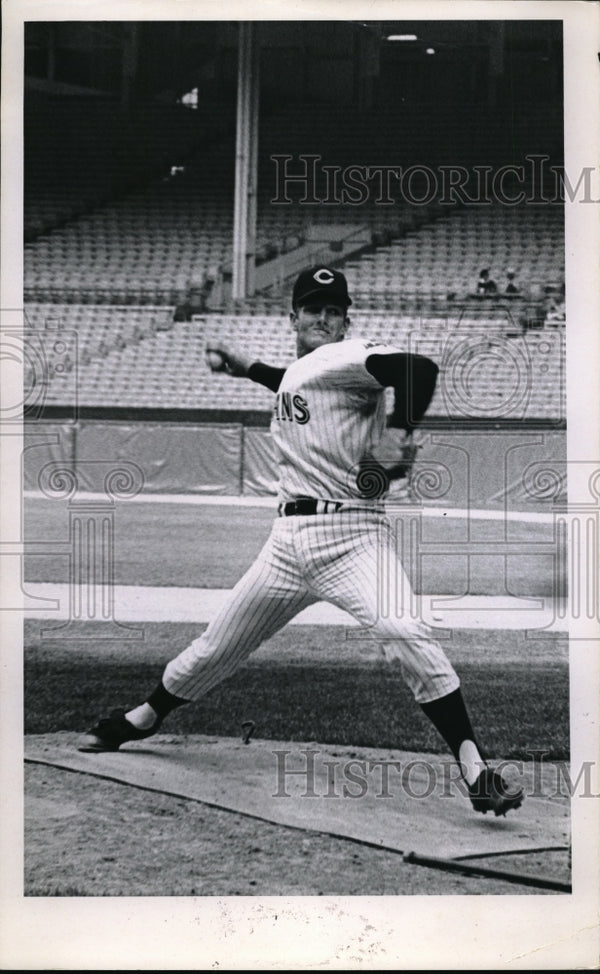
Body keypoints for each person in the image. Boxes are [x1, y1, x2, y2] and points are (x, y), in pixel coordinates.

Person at [79, 265, 524, 817]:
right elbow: (297, 384)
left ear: (345, 322)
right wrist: (249, 368)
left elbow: (418, 369)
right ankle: (144, 718)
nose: (323, 318)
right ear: (293, 317)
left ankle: (476, 770)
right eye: (313, 308)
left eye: (334, 311)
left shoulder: (346, 355)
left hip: (353, 537)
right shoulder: (308, 371)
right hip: (286, 546)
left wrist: (400, 429)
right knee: (217, 648)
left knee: (402, 629)